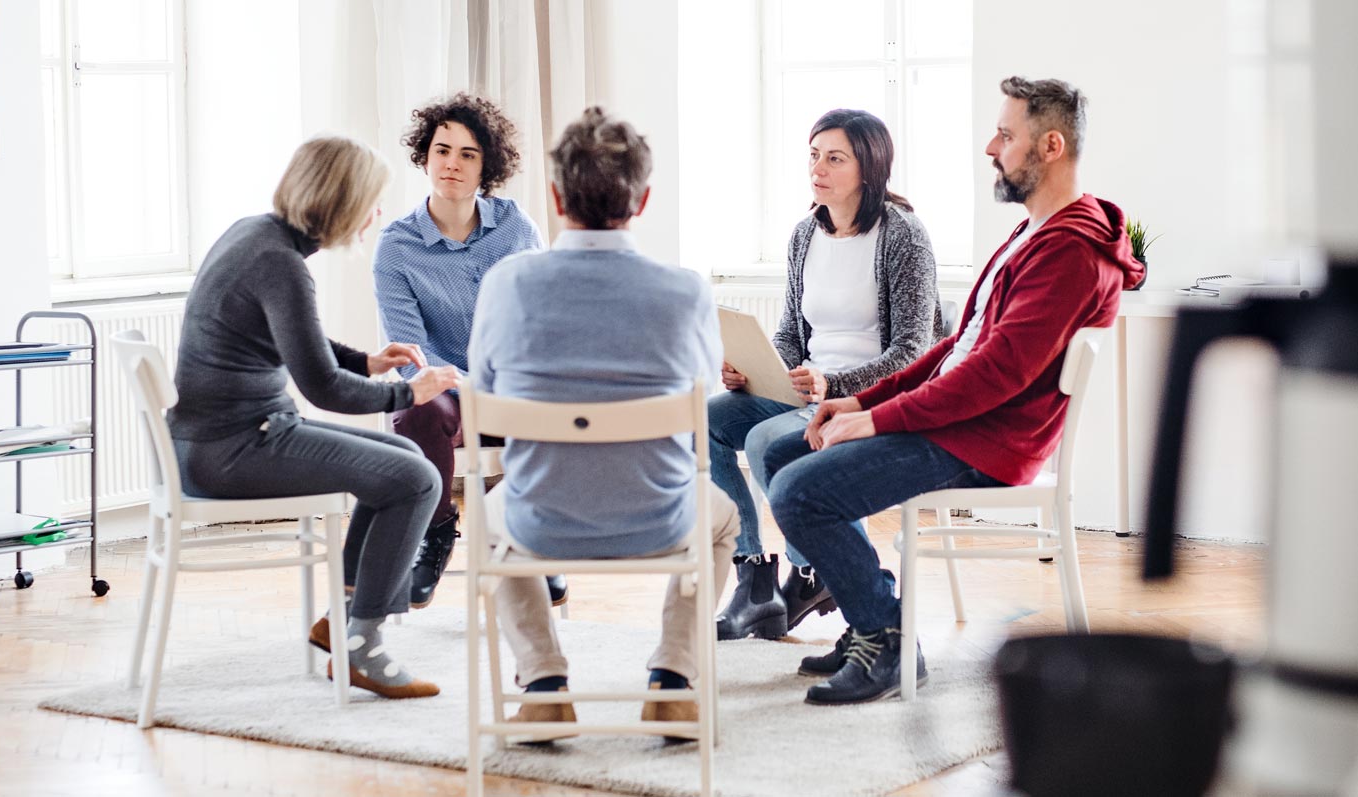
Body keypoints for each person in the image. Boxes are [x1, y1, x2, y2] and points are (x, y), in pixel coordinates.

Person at [762, 77, 1145, 705]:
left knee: (798, 491)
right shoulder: (1035, 232)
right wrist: (864, 401)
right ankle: (870, 611)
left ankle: (885, 640)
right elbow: (957, 347)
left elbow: (996, 375)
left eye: (1006, 134)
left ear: (1050, 146)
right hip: (961, 422)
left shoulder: (1069, 252)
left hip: (986, 442)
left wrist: (880, 421)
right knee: (784, 454)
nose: (990, 147)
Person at [466, 107, 741, 738]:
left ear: (557, 197)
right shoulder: (686, 291)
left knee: (482, 516)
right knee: (725, 520)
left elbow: (483, 397)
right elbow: (696, 409)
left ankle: (543, 681)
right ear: (642, 201)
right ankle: (673, 678)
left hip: (541, 519)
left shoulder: (506, 283)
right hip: (660, 518)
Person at [169, 135, 462, 699]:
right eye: (371, 201)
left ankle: (347, 617)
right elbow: (322, 387)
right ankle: (364, 647)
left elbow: (295, 340)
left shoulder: (256, 235)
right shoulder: (280, 263)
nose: (377, 215)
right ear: (342, 200)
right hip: (234, 450)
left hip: (222, 439)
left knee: (406, 459)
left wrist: (369, 362)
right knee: (418, 478)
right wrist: (410, 395)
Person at [708, 109, 941, 641]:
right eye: (814, 155)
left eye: (835, 158)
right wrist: (755, 369)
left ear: (870, 167)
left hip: (866, 397)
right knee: (705, 421)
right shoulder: (803, 235)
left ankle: (814, 571)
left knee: (768, 440)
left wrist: (834, 386)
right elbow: (793, 333)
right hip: (807, 390)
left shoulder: (903, 236)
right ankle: (756, 578)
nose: (819, 168)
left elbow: (913, 352)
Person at [372, 92, 563, 610]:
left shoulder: (516, 229)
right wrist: (460, 382)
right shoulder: (396, 247)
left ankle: (534, 539)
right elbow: (410, 352)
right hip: (446, 391)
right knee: (414, 404)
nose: (452, 164)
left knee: (550, 397)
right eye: (442, 150)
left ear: (487, 167)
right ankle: (436, 534)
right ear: (425, 156)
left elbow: (538, 327)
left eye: (468, 154)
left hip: (511, 387)